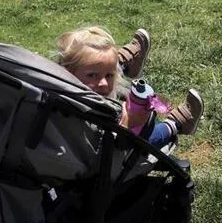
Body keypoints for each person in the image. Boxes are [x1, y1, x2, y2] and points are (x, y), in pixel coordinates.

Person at [54, 26, 202, 146]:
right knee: (146, 137)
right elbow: (112, 147)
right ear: (68, 72)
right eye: (92, 75)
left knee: (104, 72)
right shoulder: (79, 114)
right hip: (116, 152)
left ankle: (123, 65)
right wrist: (128, 123)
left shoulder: (54, 90)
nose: (103, 83)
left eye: (110, 75)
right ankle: (176, 124)